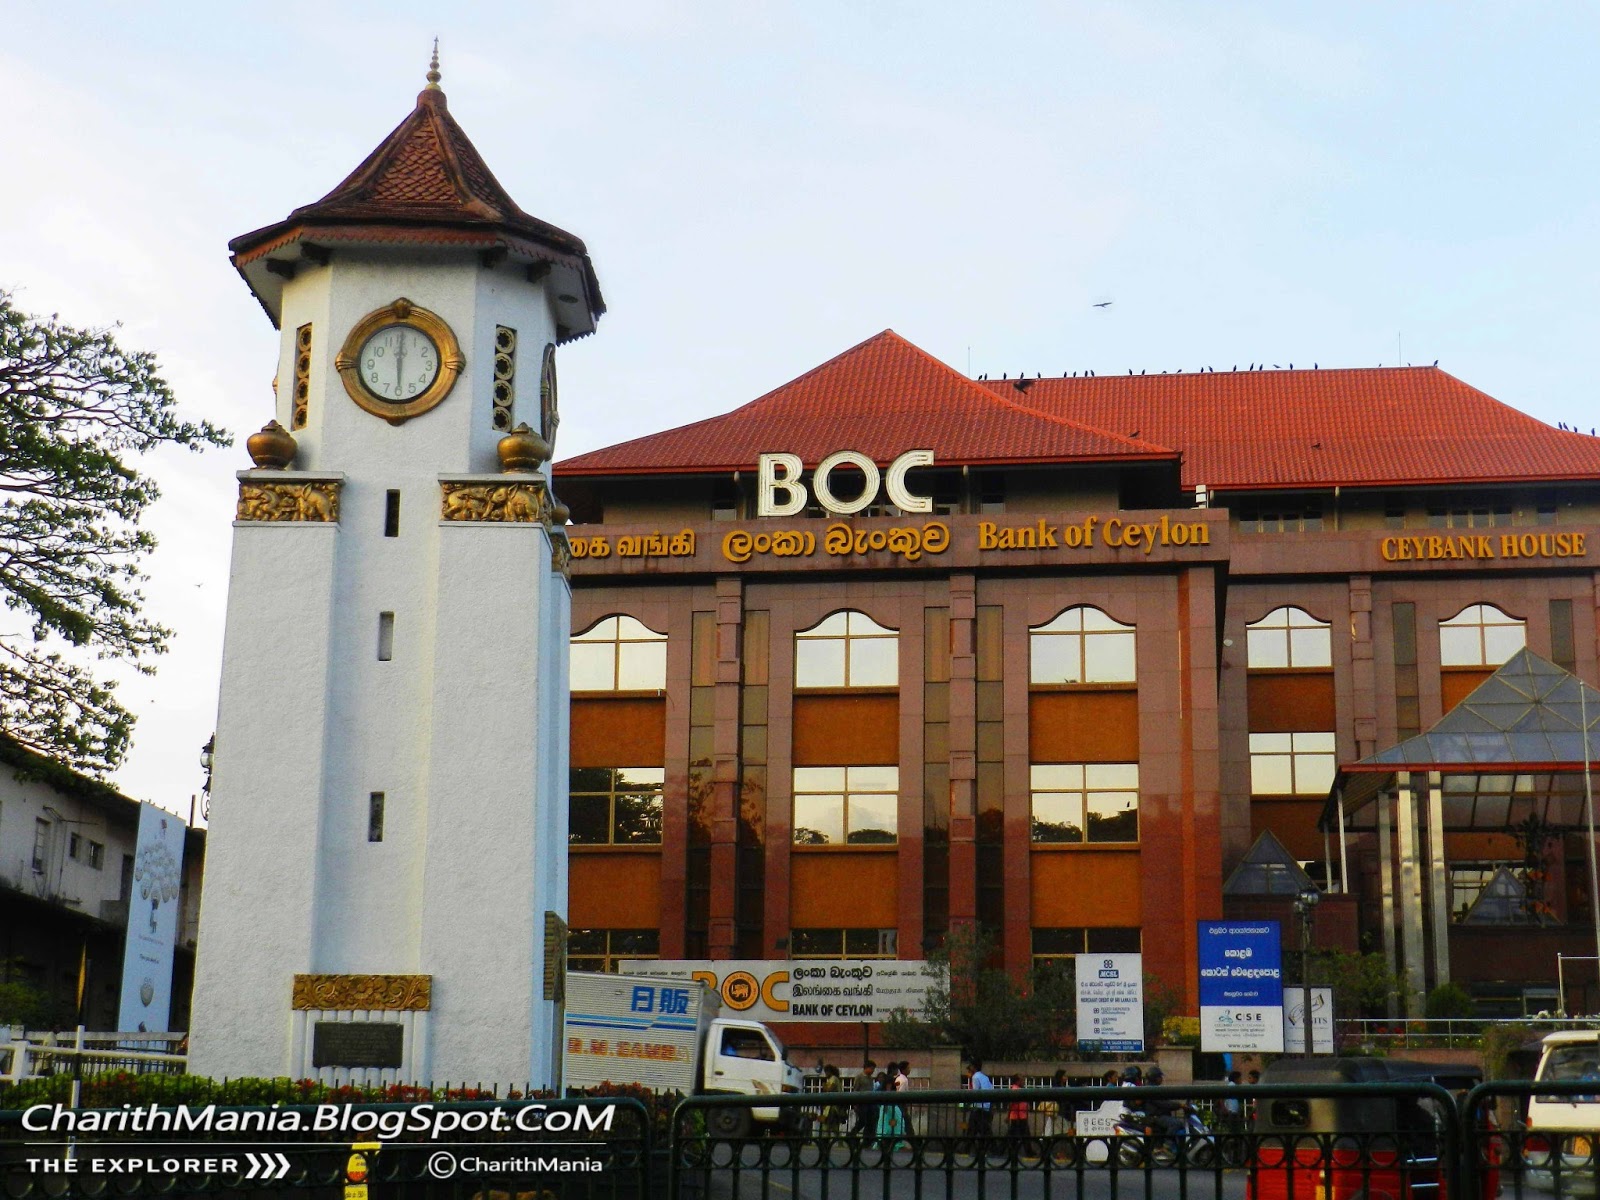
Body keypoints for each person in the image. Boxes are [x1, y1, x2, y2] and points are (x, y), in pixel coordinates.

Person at [966, 1058, 995, 1141]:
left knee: (975, 1129)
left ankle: (966, 1148)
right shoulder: (985, 1077)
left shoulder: (975, 1077)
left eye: (971, 1066)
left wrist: (970, 1104)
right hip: (987, 1107)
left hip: (978, 1108)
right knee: (982, 1129)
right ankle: (967, 1148)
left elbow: (975, 1093)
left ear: (974, 1067)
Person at [1037, 1068, 1066, 1138]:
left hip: (1057, 1109)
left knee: (1051, 1124)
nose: (1066, 1078)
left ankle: (1046, 1137)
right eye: (1064, 1076)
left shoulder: (1059, 1085)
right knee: (1056, 1124)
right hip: (1057, 1109)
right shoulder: (1057, 1086)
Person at [851, 1060, 878, 1136]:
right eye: (872, 1069)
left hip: (869, 1103)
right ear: (866, 1068)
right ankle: (852, 1134)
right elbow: (855, 1089)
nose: (873, 1071)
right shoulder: (859, 1077)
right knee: (862, 1121)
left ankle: (867, 1138)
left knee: (870, 1121)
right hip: (861, 1103)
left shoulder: (871, 1079)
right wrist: (855, 1104)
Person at [820, 1063, 846, 1133]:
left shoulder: (833, 1079)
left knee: (828, 1126)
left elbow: (830, 1089)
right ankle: (838, 1142)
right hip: (833, 1107)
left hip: (832, 1107)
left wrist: (824, 1086)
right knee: (834, 1127)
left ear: (829, 1071)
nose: (825, 1074)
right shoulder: (834, 1079)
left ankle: (827, 1141)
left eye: (826, 1072)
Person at [1007, 1074, 1031, 1139]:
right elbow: (1011, 1103)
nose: (1023, 1082)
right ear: (1017, 1081)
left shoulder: (1017, 1089)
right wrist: (1008, 1116)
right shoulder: (1015, 1090)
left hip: (1018, 1116)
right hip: (1018, 1117)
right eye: (1022, 1080)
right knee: (1025, 1136)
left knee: (1013, 1135)